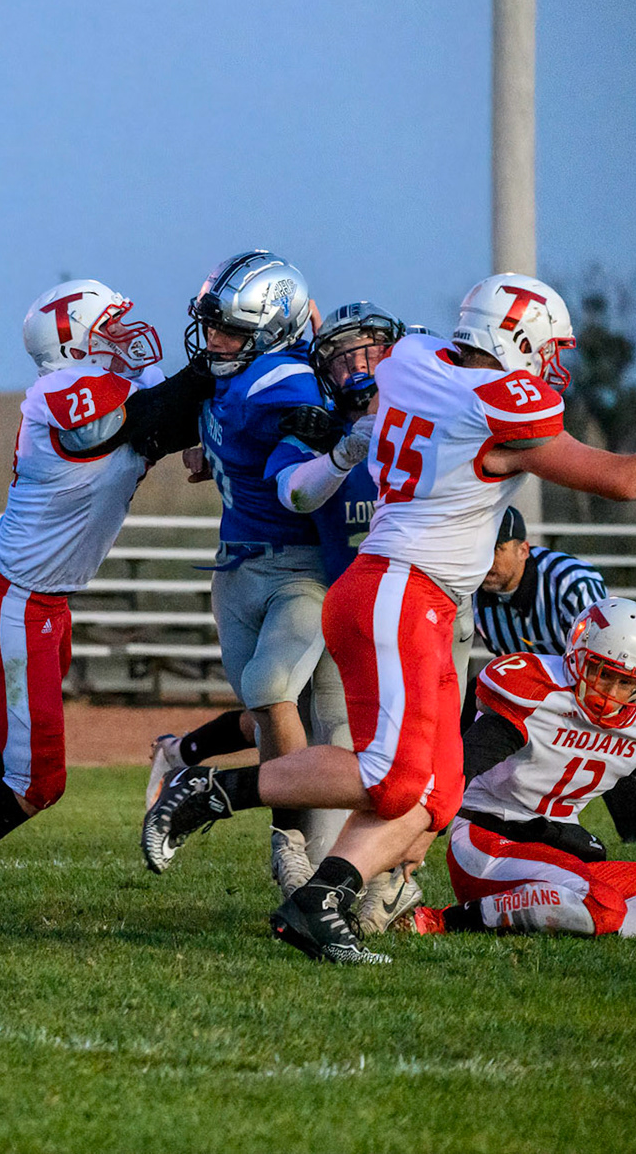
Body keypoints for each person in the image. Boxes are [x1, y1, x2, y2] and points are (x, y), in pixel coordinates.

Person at [145, 273, 636, 963]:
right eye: (546, 347)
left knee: (438, 794)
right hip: (400, 589)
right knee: (392, 776)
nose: (552, 363)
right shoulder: (484, 397)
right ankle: (213, 788)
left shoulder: (417, 363)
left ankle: (319, 901)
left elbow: (407, 371)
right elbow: (624, 479)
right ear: (517, 338)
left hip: (417, 595)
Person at [0, 279, 208, 929]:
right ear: (74, 339)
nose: (123, 335)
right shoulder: (62, 395)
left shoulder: (102, 397)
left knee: (8, 745)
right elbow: (151, 421)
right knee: (38, 780)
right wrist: (204, 371)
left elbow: (163, 423)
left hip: (36, 598)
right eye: (107, 326)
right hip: (14, 598)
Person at [146, 301, 422, 931]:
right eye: (344, 354)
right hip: (281, 573)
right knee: (298, 718)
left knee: (369, 735)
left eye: (232, 329)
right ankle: (365, 881)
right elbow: (290, 476)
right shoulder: (261, 388)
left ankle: (307, 852)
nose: (359, 366)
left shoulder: (290, 383)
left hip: (372, 589)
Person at [402, 598, 636, 938]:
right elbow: (462, 768)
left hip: (563, 849)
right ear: (576, 657)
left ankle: (584, 918)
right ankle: (447, 920)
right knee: (600, 903)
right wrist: (422, 833)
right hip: (490, 839)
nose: (610, 694)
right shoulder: (538, 693)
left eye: (626, 683)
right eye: (603, 673)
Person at [176, 251, 335, 900]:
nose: (214, 340)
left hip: (298, 568)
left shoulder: (278, 379)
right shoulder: (230, 379)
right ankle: (182, 752)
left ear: (272, 334)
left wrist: (330, 401)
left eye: (231, 330)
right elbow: (217, 440)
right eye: (212, 325)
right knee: (267, 707)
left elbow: (313, 395)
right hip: (234, 569)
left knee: (274, 690)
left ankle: (291, 843)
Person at [470, 506, 636, 844]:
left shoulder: (569, 582)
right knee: (468, 716)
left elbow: (604, 646)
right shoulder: (469, 584)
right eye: (480, 547)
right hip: (532, 686)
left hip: (585, 679)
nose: (486, 560)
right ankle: (448, 810)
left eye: (497, 549)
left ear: (522, 549)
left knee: (603, 736)